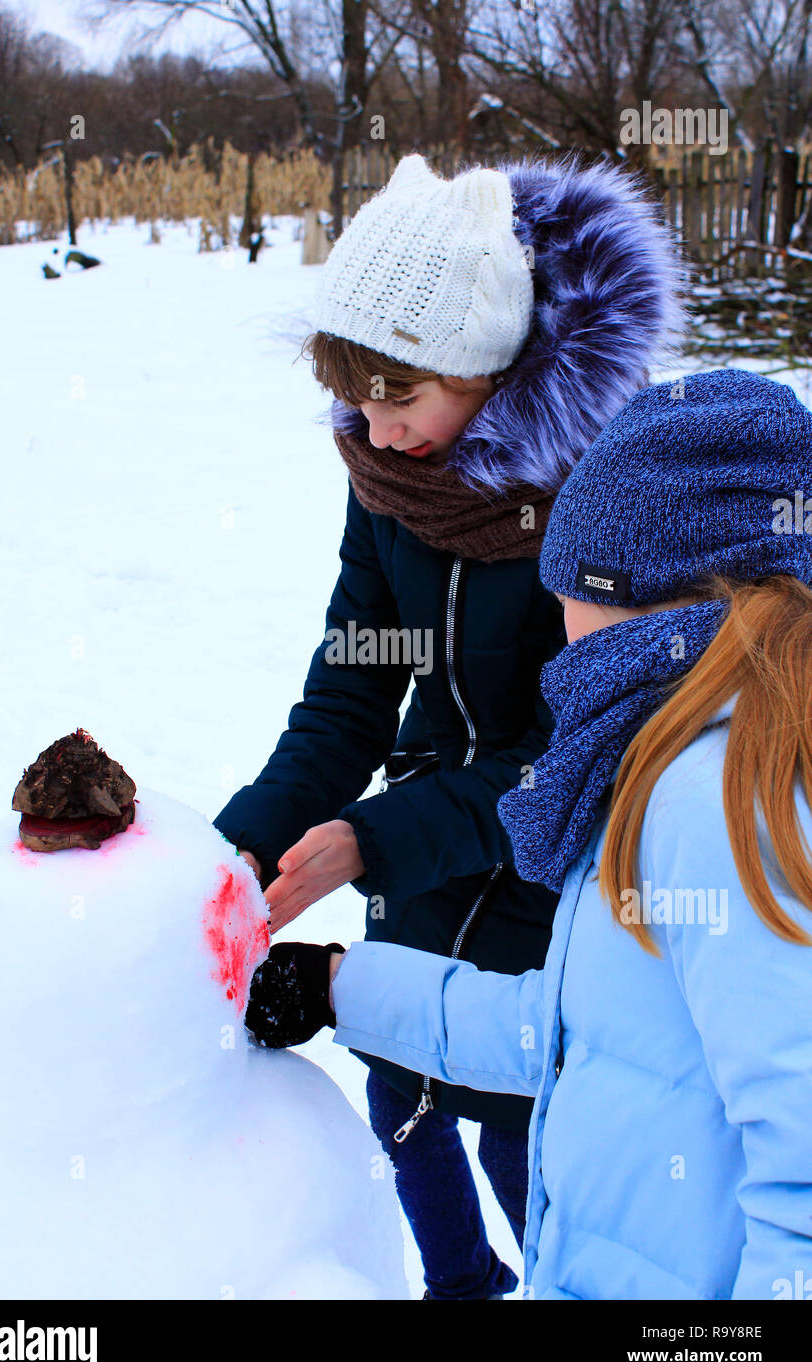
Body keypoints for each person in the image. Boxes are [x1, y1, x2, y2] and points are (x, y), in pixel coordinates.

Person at [216, 150, 684, 1299]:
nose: (371, 433)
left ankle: (562, 1283)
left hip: (565, 839)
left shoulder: (603, 483)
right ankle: (459, 1286)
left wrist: (373, 838)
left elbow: (590, 745)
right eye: (353, 395)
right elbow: (353, 681)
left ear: (482, 367)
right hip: (430, 818)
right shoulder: (387, 476)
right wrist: (244, 842)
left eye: (397, 395)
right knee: (400, 1082)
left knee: (519, 1105)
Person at [247, 367, 812, 1300]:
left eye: (570, 591)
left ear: (652, 601)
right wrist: (344, 986)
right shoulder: (657, 768)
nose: (559, 625)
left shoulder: (723, 800)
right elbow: (570, 1032)